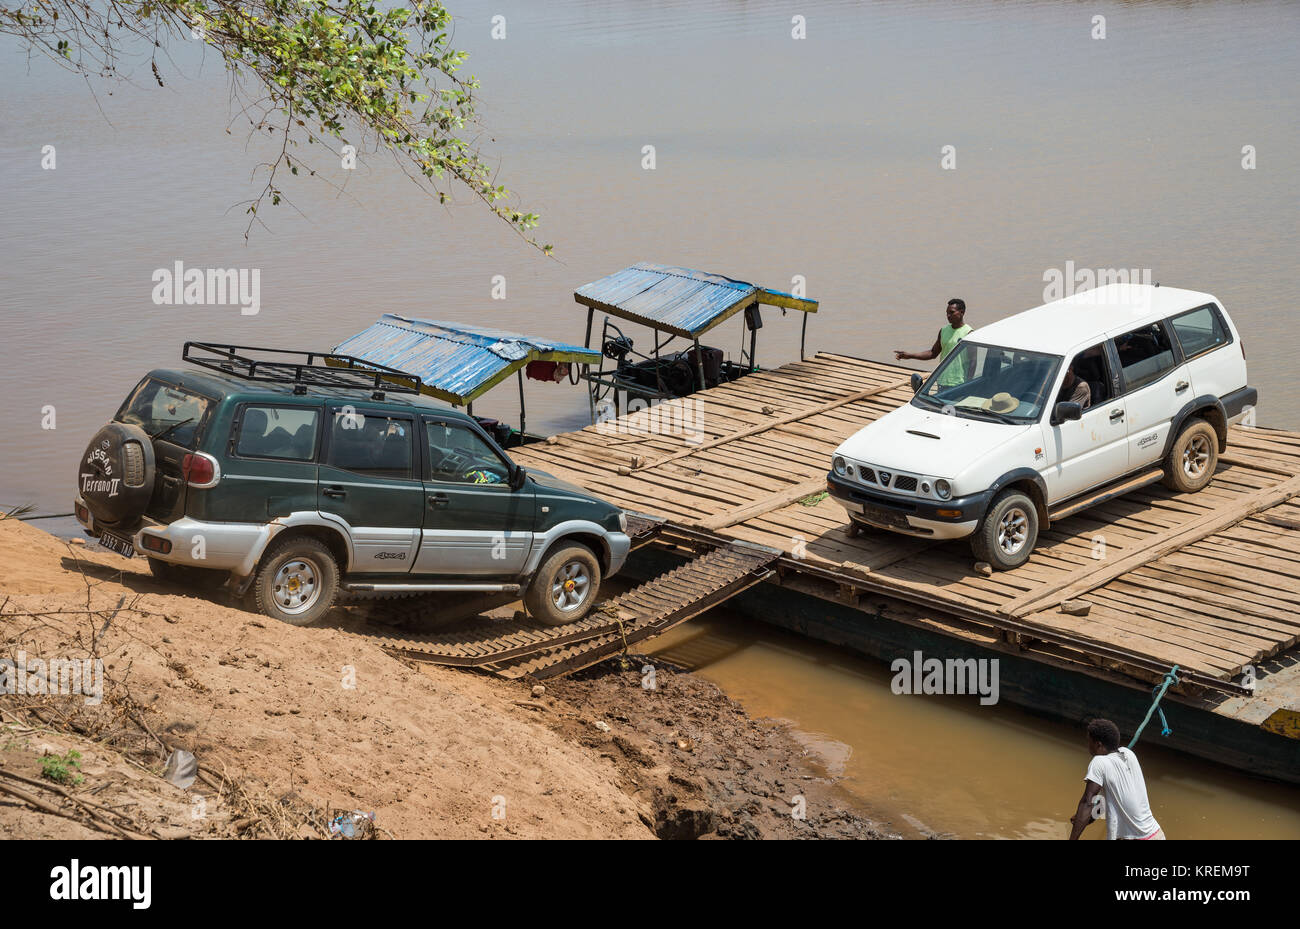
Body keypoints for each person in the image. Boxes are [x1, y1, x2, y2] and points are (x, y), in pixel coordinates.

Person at [1068, 718, 1165, 840]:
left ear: (1098, 744)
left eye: (1089, 741)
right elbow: (1108, 801)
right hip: (1155, 834)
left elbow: (1087, 803)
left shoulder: (1099, 762)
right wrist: (1087, 819)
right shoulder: (1128, 754)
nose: (1088, 745)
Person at [895, 299, 973, 388]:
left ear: (962, 312)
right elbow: (933, 353)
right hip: (942, 381)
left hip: (959, 384)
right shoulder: (943, 331)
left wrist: (968, 385)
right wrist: (910, 355)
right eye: (947, 313)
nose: (948, 315)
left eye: (952, 312)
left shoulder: (969, 333)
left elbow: (973, 362)